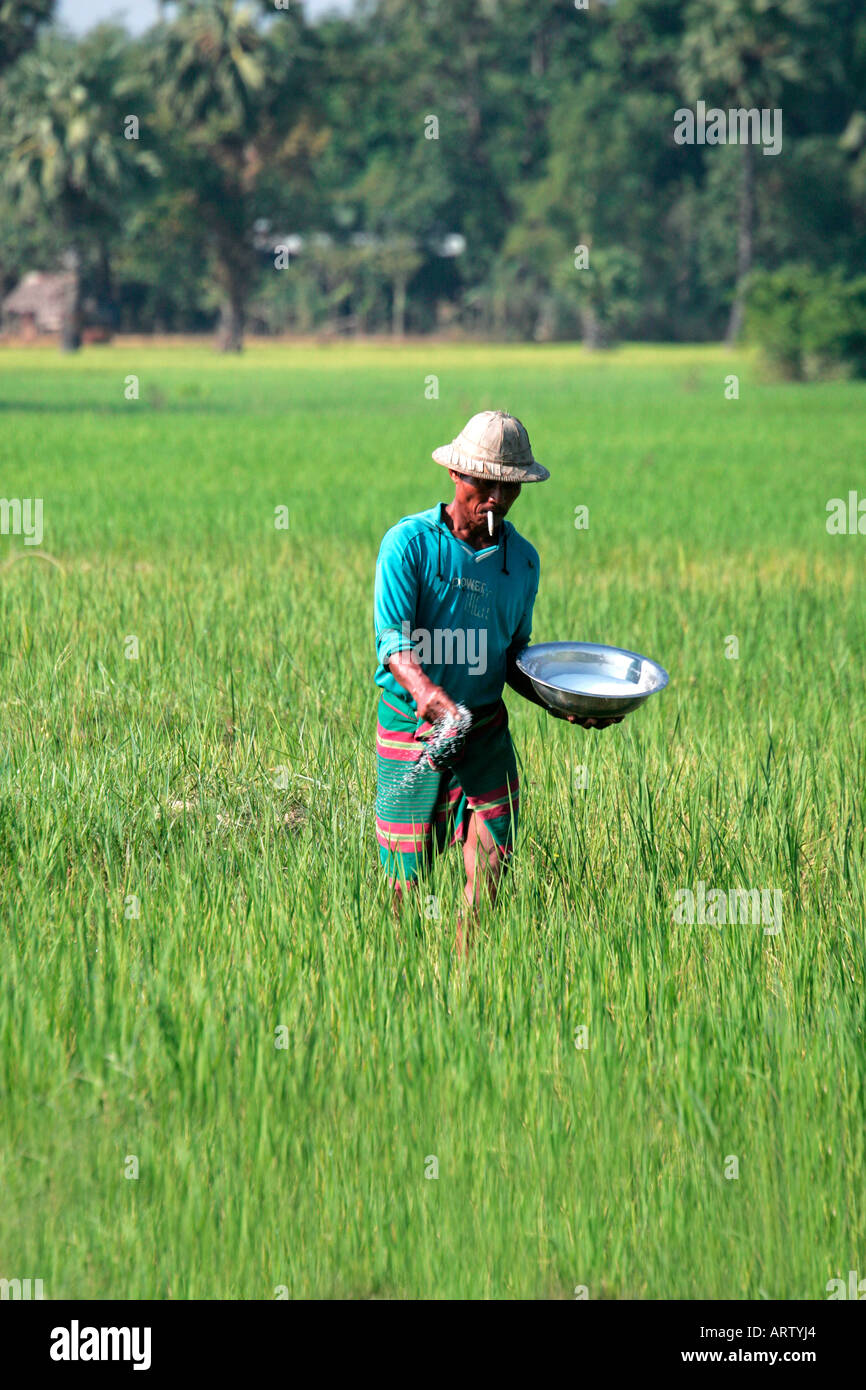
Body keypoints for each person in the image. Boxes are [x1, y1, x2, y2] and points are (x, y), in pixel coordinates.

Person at [373, 409, 621, 936]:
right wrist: (429, 695)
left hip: (484, 728)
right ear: (455, 475)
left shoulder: (522, 562)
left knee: (491, 863)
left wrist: (565, 703)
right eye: (483, 484)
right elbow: (393, 644)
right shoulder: (409, 545)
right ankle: (393, 972)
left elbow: (511, 657)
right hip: (411, 727)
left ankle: (468, 982)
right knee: (404, 875)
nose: (495, 499)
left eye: (509, 488)